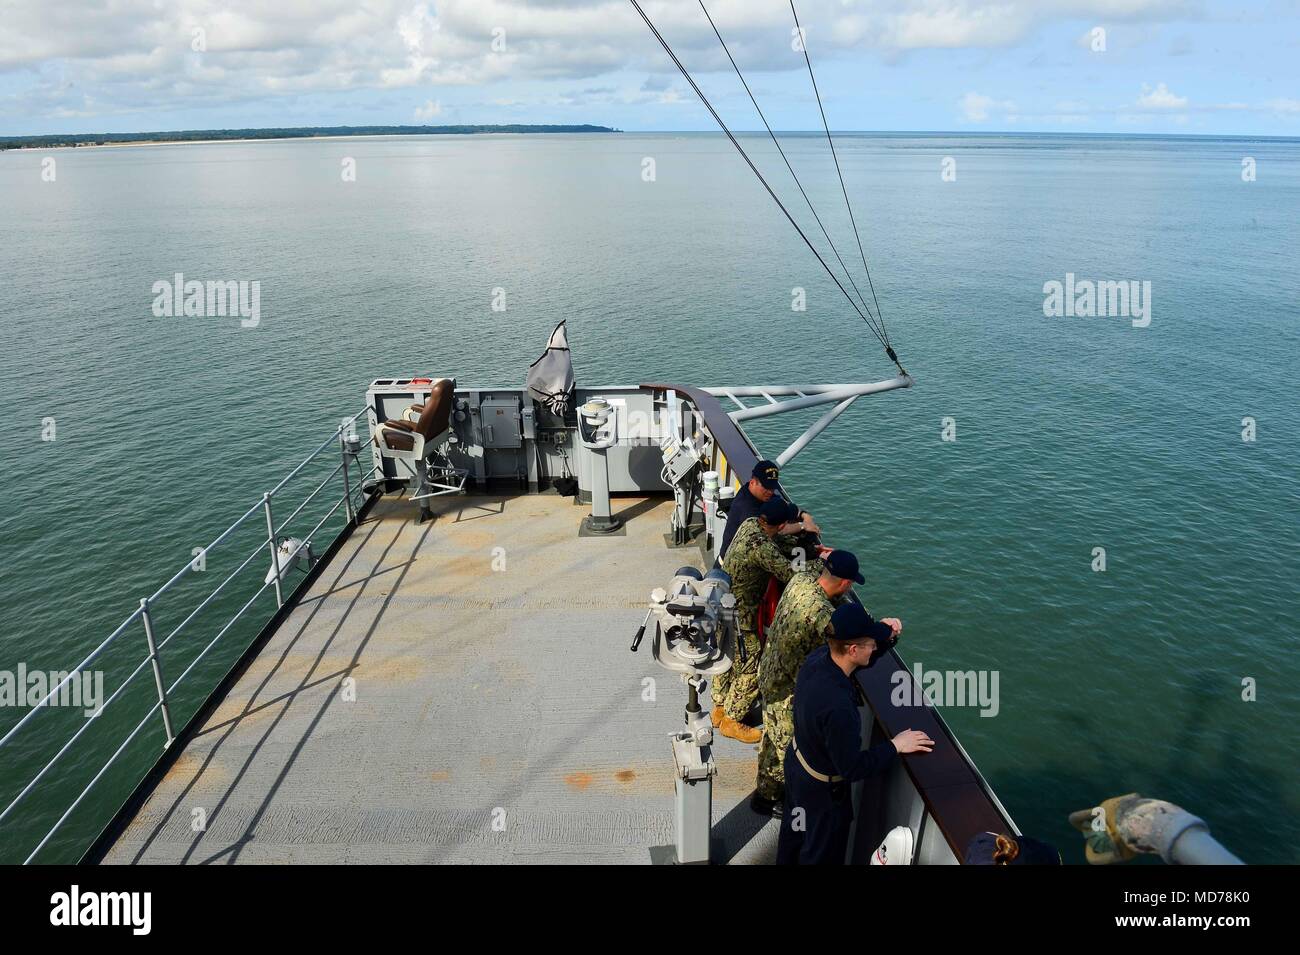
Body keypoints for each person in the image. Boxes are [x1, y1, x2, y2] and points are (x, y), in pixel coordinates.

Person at [776, 603, 933, 864]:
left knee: (794, 835)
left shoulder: (818, 659)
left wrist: (884, 635)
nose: (873, 648)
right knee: (819, 854)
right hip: (821, 797)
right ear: (853, 649)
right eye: (870, 644)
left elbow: (857, 658)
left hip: (798, 769)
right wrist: (895, 745)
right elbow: (851, 767)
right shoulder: (839, 708)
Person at [753, 550, 884, 816]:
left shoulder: (802, 579)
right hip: (785, 688)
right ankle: (785, 806)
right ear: (846, 584)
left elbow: (816, 565)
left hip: (769, 670)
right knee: (789, 747)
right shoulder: (822, 613)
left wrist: (824, 555)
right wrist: (885, 632)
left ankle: (765, 794)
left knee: (772, 737)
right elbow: (849, 642)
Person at [714, 497, 804, 743]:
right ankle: (732, 720)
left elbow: (772, 541)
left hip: (723, 605)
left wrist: (791, 538)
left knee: (725, 656)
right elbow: (789, 573)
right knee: (752, 667)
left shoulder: (750, 524)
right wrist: (816, 564)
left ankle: (719, 706)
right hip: (742, 616)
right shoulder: (762, 549)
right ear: (780, 524)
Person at [718, 459, 819, 558]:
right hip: (734, 562)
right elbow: (775, 531)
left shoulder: (760, 494)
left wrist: (805, 516)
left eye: (772, 487)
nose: (770, 492)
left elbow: (787, 506)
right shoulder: (747, 509)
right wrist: (803, 525)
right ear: (753, 482)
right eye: (766, 487)